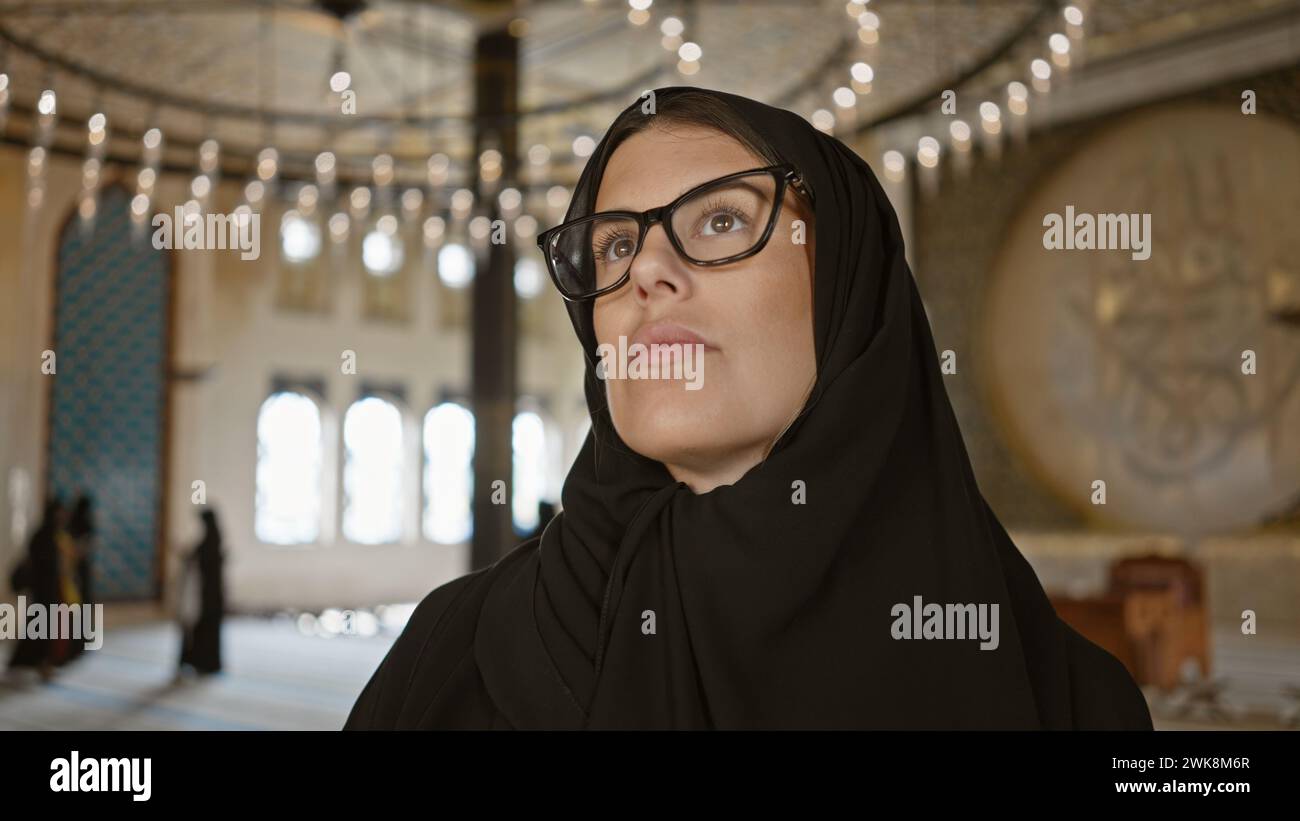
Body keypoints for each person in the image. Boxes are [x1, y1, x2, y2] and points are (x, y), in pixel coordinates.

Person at [344, 86, 1153, 729]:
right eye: (617, 244)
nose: (648, 272)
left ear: (845, 289)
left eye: (722, 219)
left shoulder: (1069, 699)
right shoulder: (453, 652)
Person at [6, 498, 67, 681]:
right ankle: (42, 664)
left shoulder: (53, 535)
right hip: (42, 591)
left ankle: (34, 662)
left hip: (48, 591)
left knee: (40, 627)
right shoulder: (43, 535)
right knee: (41, 628)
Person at [177, 508, 225, 675]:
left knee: (205, 630)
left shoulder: (210, 543)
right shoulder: (211, 542)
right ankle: (199, 662)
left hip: (206, 599)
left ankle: (204, 663)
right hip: (206, 598)